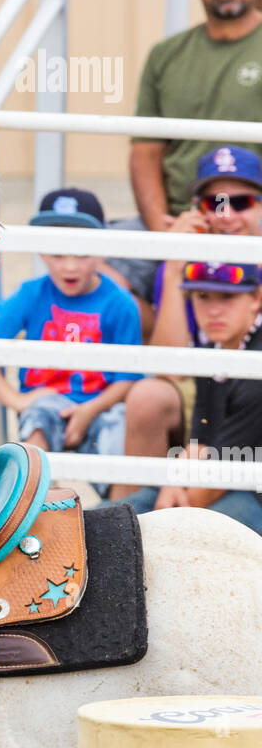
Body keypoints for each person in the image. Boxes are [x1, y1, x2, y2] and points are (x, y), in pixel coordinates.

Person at [107, 0, 262, 307]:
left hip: (249, 216)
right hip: (180, 217)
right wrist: (163, 231)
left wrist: (245, 219)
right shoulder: (166, 55)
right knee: (97, 287)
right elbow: (145, 152)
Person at [111, 144, 262, 497]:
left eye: (240, 203)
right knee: (148, 397)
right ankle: (121, 526)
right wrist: (176, 261)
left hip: (249, 391)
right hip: (204, 388)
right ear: (197, 209)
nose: (227, 216)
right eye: (215, 203)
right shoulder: (187, 258)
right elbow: (169, 367)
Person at [0, 188, 142, 494]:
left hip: (101, 406)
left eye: (82, 254)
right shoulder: (32, 293)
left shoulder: (120, 303)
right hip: (45, 401)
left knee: (119, 429)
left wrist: (89, 411)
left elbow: (128, 378)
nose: (69, 266)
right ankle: (37, 504)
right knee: (37, 425)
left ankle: (117, 510)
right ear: (42, 251)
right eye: (58, 254)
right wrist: (17, 401)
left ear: (102, 251)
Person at [124, 260, 262, 533]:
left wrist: (175, 511)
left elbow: (228, 467)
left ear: (256, 298)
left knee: (188, 534)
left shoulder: (255, 361)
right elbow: (202, 440)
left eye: (228, 297)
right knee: (129, 509)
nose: (213, 310)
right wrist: (174, 484)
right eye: (202, 296)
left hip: (250, 487)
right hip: (225, 475)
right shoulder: (212, 349)